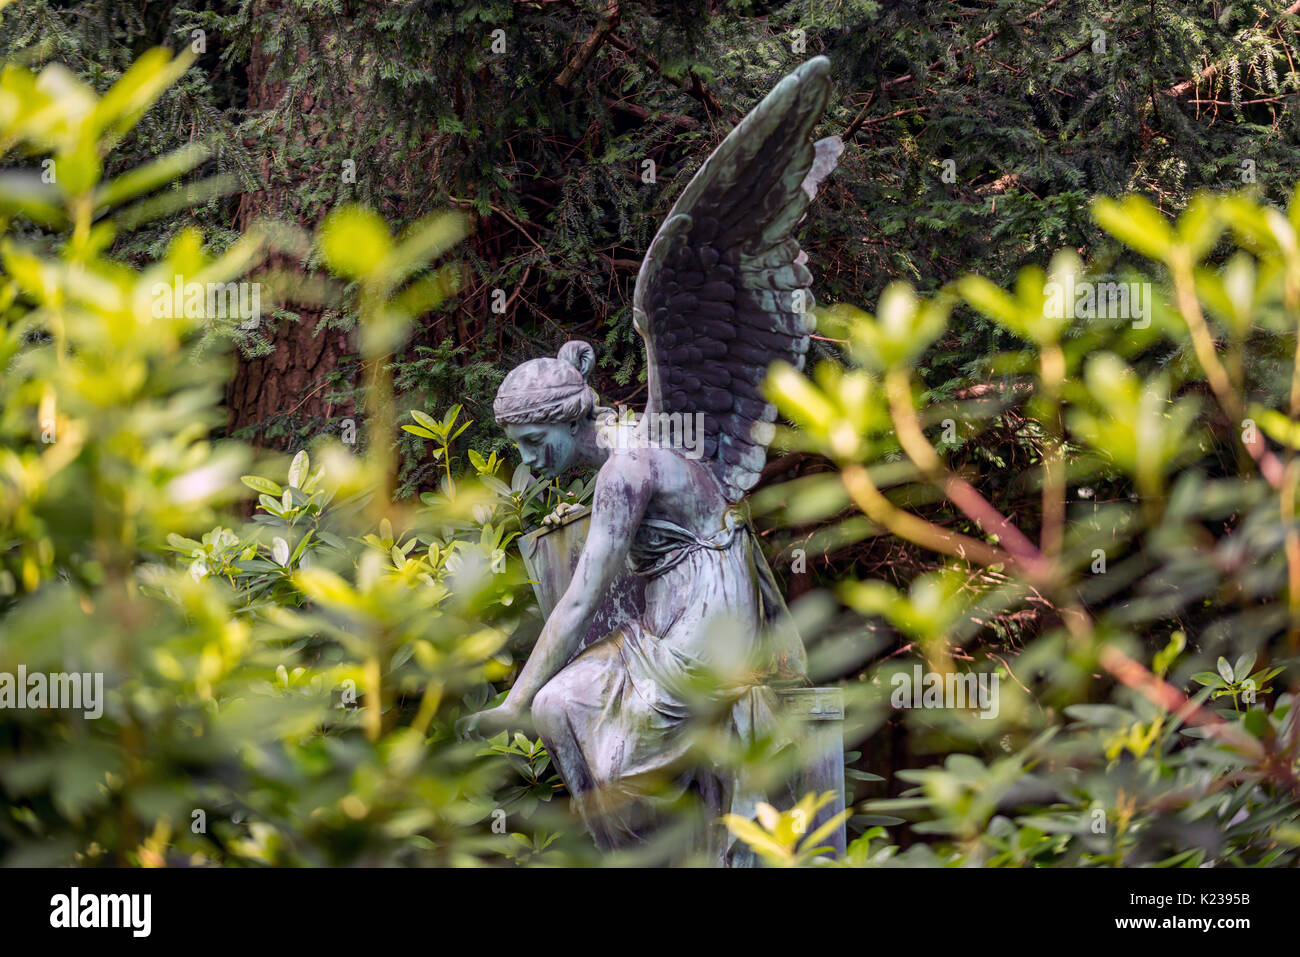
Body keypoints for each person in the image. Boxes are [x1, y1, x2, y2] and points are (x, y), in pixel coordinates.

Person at [459, 339, 807, 862]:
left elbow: (580, 602)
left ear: (573, 424)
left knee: (583, 723)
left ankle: (666, 847)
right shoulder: (628, 449)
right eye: (519, 447)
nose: (528, 460)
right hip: (666, 616)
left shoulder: (625, 468)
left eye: (534, 441)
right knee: (556, 706)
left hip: (707, 623)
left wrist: (512, 703)